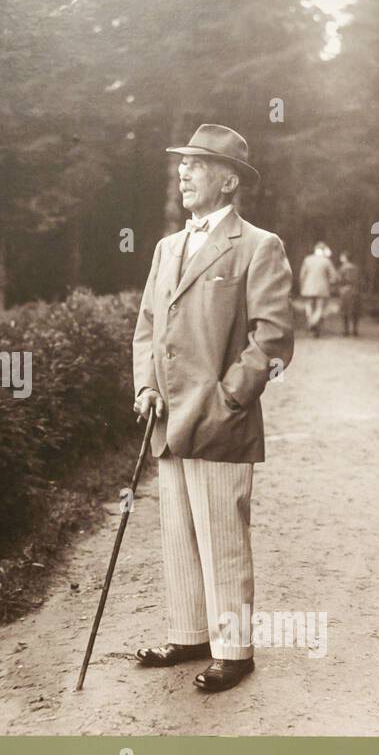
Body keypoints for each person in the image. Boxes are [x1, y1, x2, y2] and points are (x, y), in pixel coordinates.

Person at [131, 124, 294, 693]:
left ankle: (235, 650)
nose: (184, 173)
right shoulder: (167, 247)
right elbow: (148, 326)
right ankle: (190, 633)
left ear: (227, 180)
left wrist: (230, 398)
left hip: (221, 420)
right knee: (178, 530)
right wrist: (146, 387)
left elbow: (272, 337)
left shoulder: (257, 246)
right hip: (169, 416)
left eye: (196, 165)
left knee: (223, 534)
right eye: (182, 164)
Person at [298, 242, 337, 337]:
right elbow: (333, 276)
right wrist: (331, 283)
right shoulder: (326, 261)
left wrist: (303, 285)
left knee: (309, 306)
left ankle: (311, 323)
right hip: (322, 288)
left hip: (308, 287)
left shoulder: (307, 259)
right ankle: (313, 323)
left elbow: (302, 275)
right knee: (319, 308)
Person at [336, 251, 363, 336]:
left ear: (345, 258)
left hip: (345, 291)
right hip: (356, 290)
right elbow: (360, 279)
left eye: (342, 257)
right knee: (355, 311)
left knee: (345, 311)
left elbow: (339, 279)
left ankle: (345, 330)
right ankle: (355, 329)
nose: (340, 258)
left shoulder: (342, 268)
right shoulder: (356, 268)